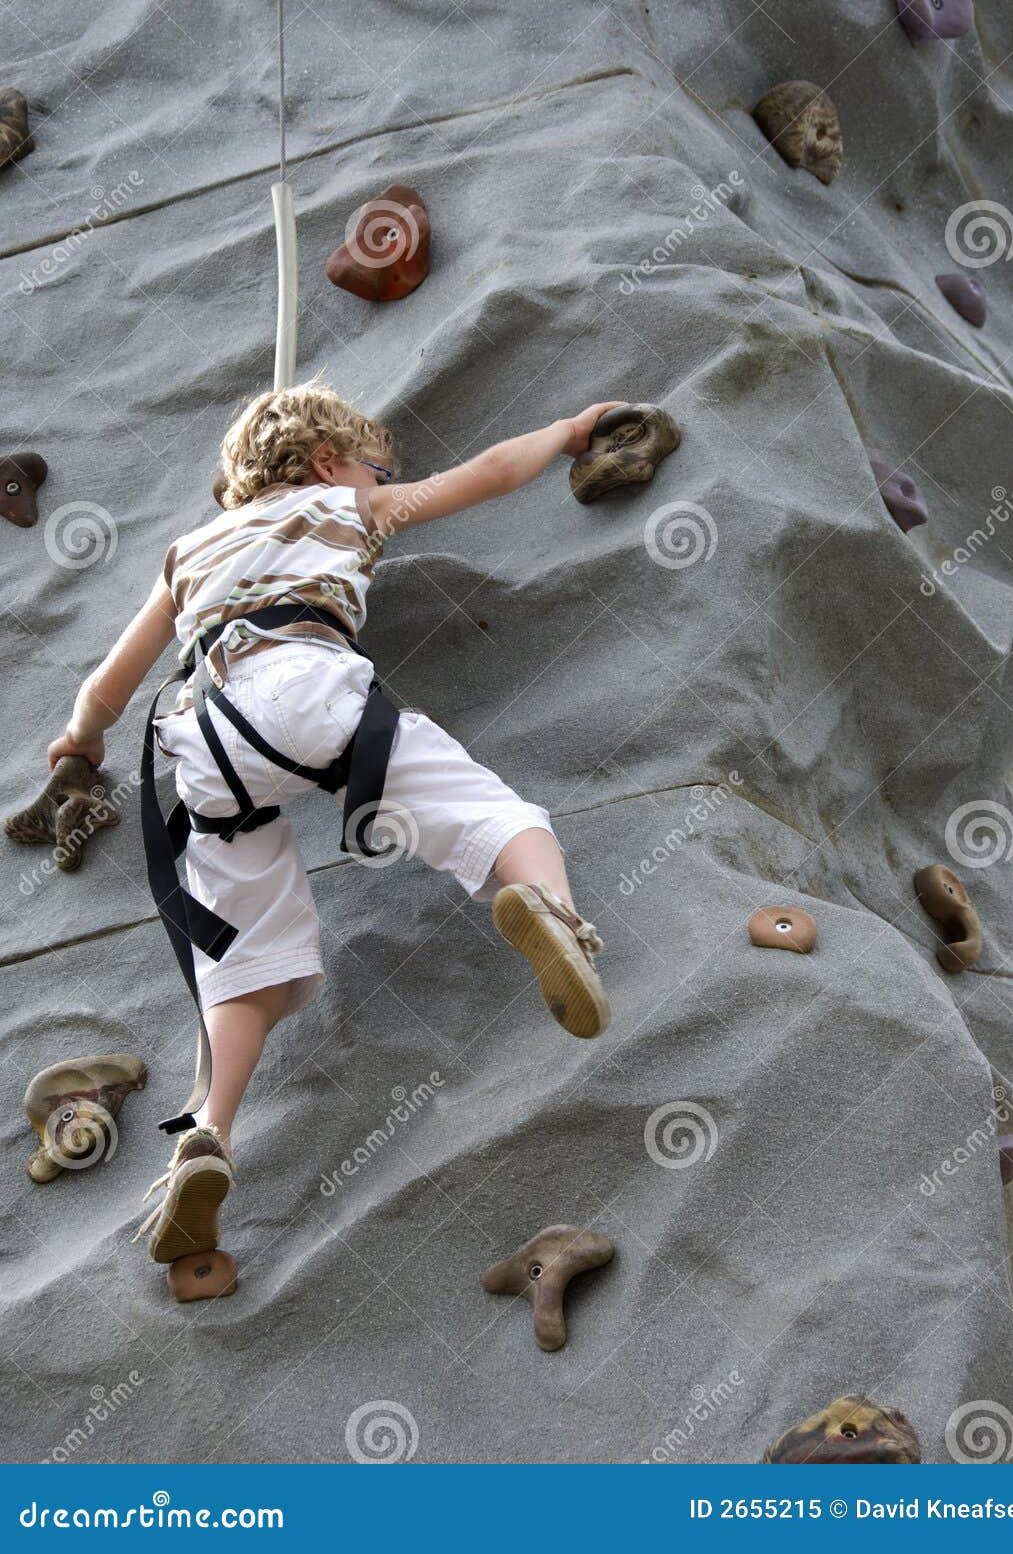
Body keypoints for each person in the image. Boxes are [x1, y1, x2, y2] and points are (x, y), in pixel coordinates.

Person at [47, 382, 621, 1265]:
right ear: (326, 462)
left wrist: (77, 746)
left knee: (244, 959)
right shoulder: (347, 502)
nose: (384, 477)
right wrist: (567, 427)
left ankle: (208, 1130)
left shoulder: (186, 552)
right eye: (377, 464)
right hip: (311, 686)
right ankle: (555, 914)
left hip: (204, 738)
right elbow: (491, 473)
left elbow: (105, 691)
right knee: (499, 817)